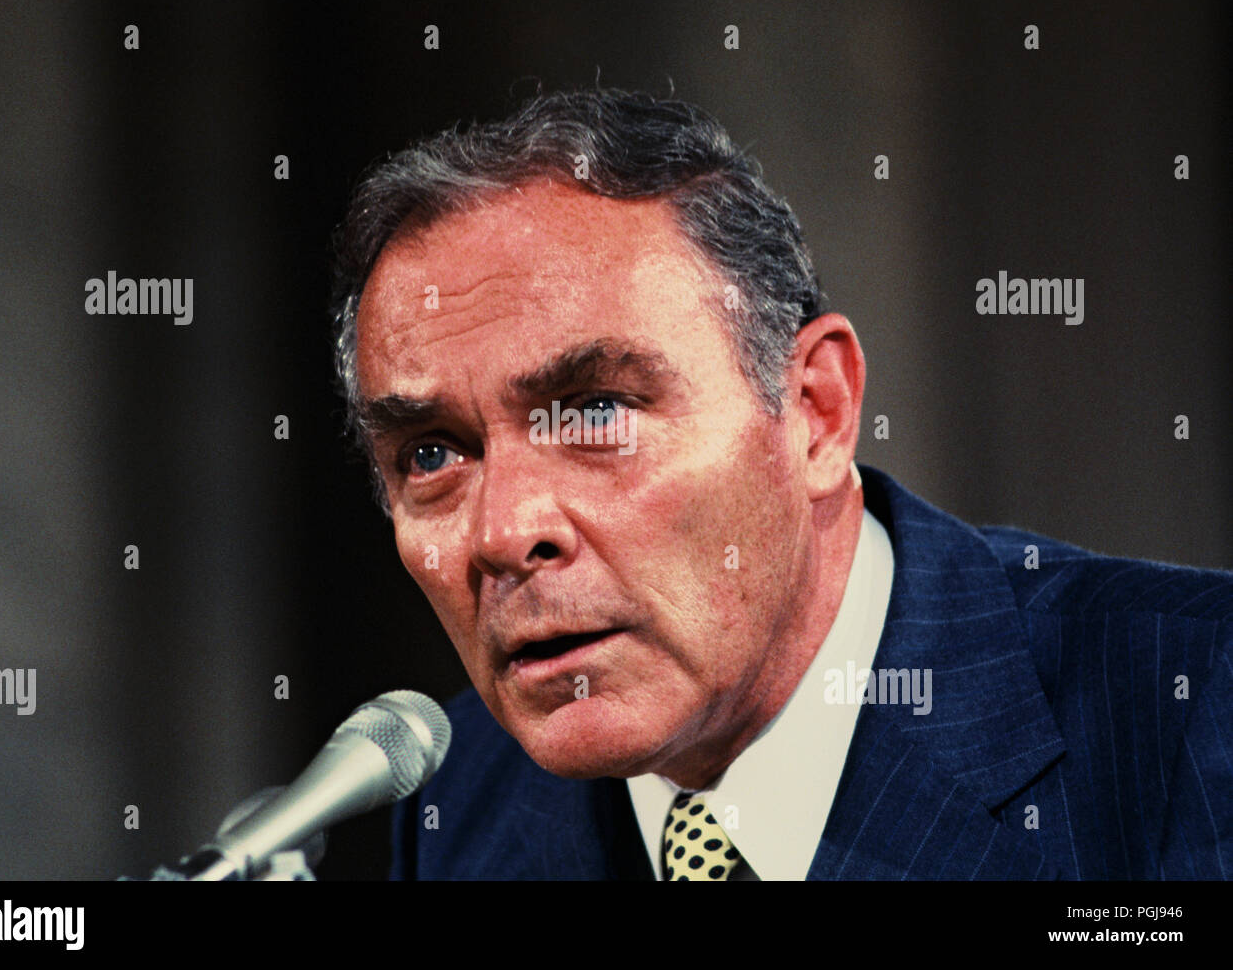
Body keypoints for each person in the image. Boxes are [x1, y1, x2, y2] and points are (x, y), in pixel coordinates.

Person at [328, 88, 1233, 880]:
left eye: (595, 411)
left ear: (817, 412)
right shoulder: (461, 805)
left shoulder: (1192, 704)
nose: (503, 531)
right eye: (432, 454)